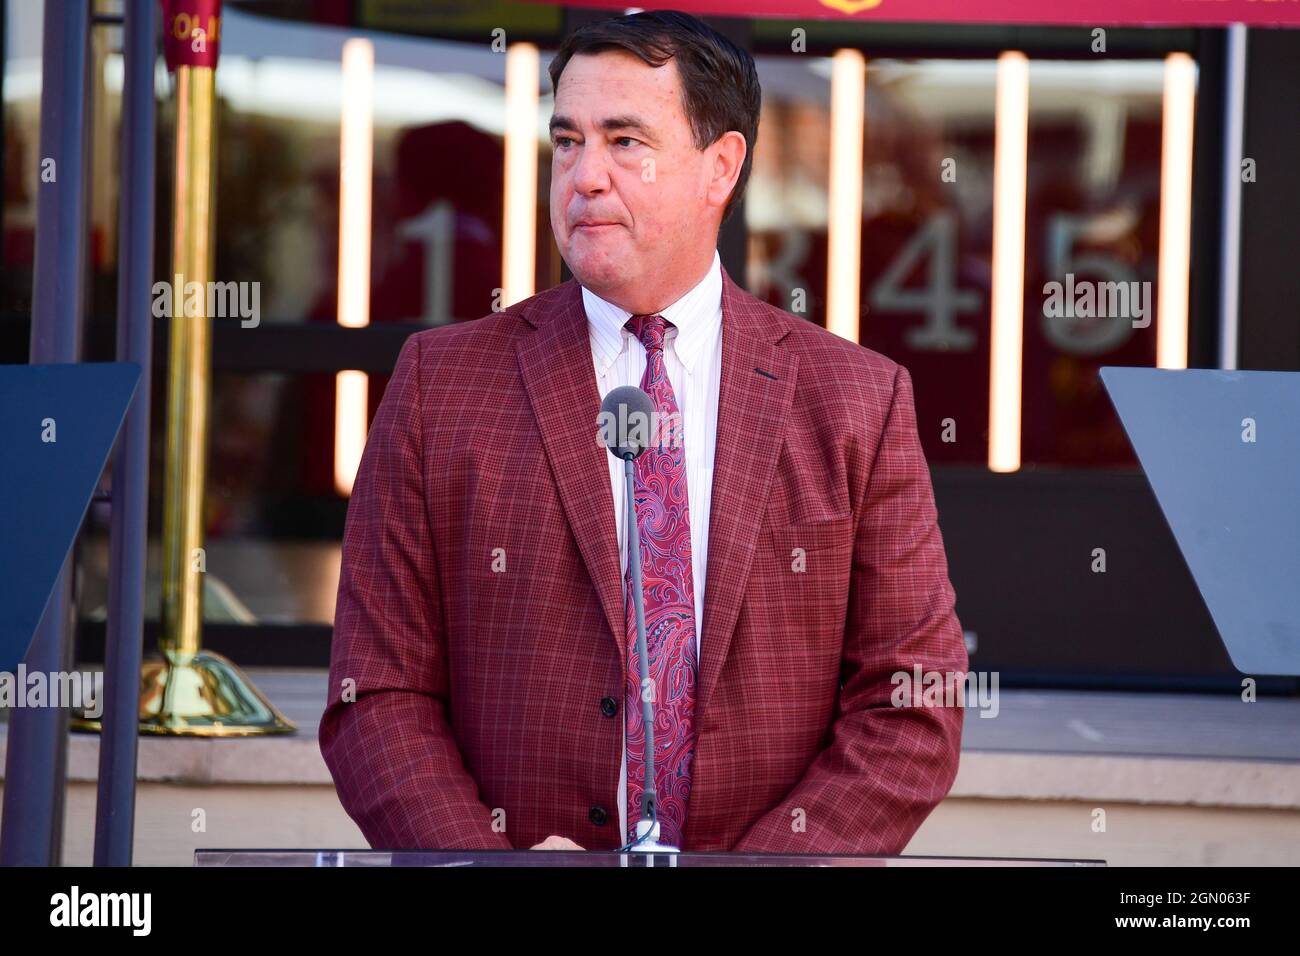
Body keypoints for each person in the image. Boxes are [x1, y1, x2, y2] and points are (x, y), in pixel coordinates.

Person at [320, 10, 968, 854]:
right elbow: (376, 692)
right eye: (567, 141)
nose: (584, 176)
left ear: (720, 168)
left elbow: (911, 698)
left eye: (625, 140)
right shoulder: (443, 386)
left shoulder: (856, 400)